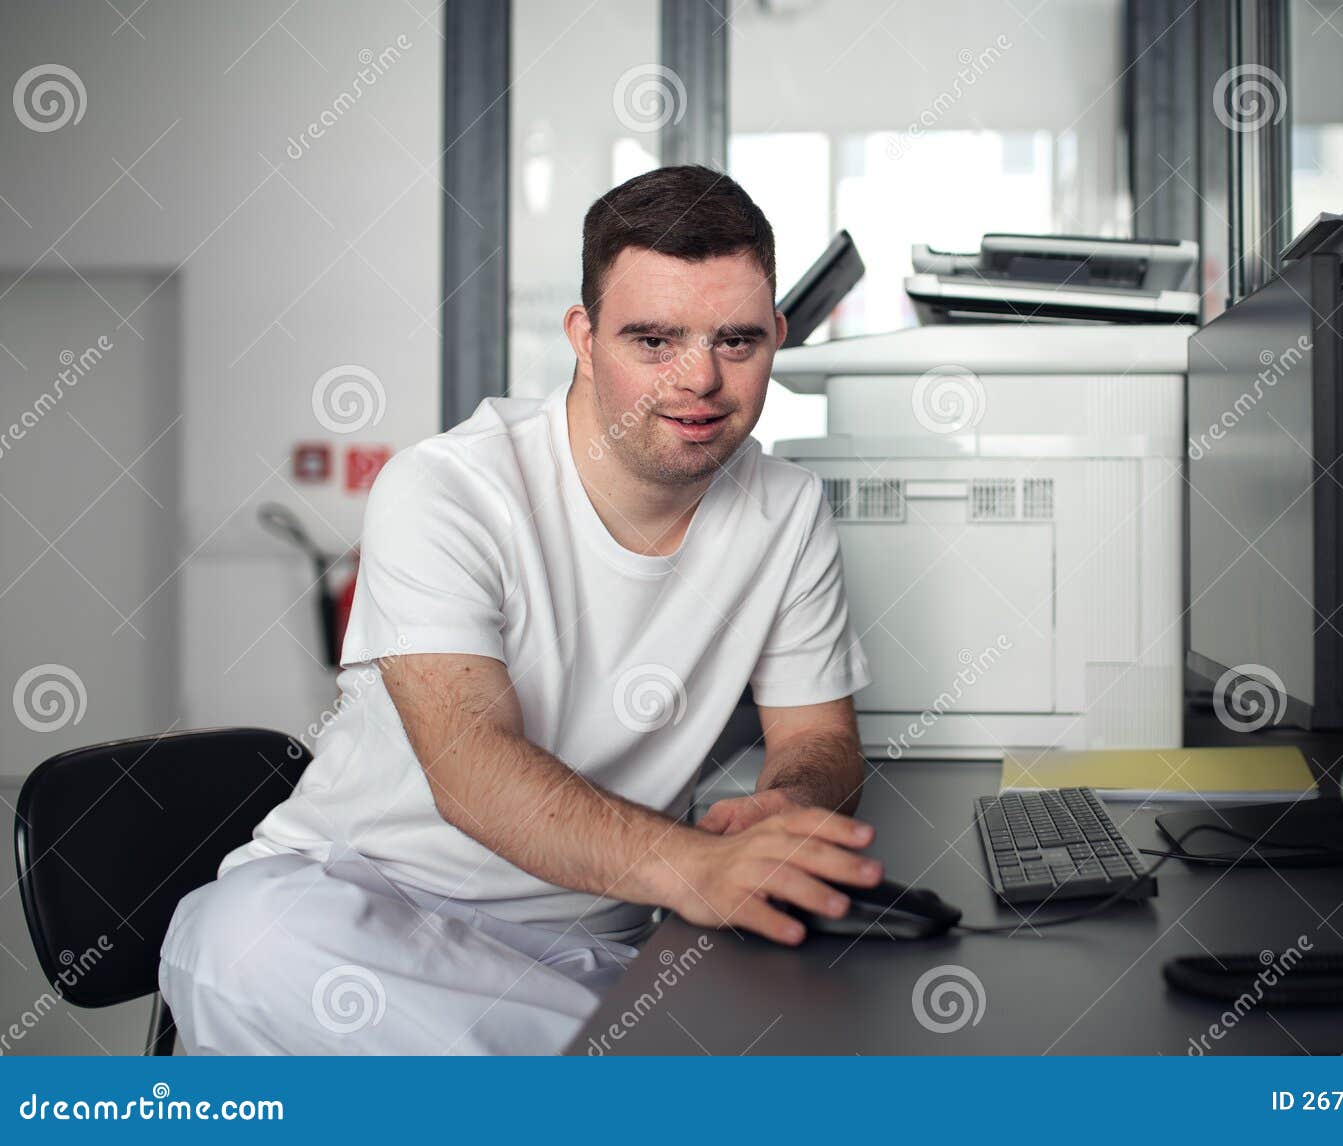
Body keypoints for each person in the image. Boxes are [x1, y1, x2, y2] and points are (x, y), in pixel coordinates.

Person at [159, 166, 879, 1055]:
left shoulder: (787, 508)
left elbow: (819, 739)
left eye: (736, 342)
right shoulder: (449, 490)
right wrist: (698, 866)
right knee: (246, 943)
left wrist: (787, 811)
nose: (700, 379)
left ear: (777, 336)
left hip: (601, 945)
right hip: (374, 916)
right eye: (654, 341)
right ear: (583, 337)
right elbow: (474, 771)